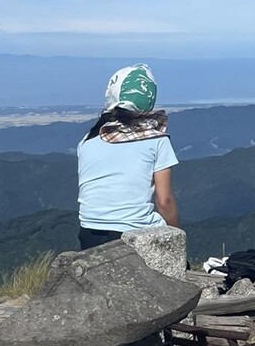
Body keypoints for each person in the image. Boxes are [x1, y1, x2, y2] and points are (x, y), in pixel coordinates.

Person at [76, 64, 180, 249]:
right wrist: (178, 239)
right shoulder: (156, 139)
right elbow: (165, 202)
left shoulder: (88, 140)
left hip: (89, 233)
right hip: (134, 236)